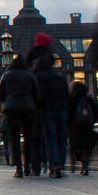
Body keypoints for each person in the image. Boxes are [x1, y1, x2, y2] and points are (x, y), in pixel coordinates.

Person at [31, 33, 69, 178]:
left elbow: (37, 96)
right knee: (62, 138)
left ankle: (55, 165)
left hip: (46, 110)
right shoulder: (59, 78)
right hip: (61, 110)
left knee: (51, 138)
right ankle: (61, 163)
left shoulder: (38, 77)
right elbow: (66, 95)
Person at [0, 52, 39, 179]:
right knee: (28, 138)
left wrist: (8, 100)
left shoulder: (7, 74)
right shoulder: (30, 75)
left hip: (11, 108)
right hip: (27, 108)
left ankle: (18, 168)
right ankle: (27, 166)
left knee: (14, 138)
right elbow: (37, 92)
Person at [67, 81, 98, 176]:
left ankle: (73, 164)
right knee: (87, 147)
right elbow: (96, 113)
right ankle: (85, 166)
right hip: (87, 127)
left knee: (74, 146)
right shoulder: (89, 100)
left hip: (74, 127)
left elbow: (67, 114)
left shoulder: (71, 100)